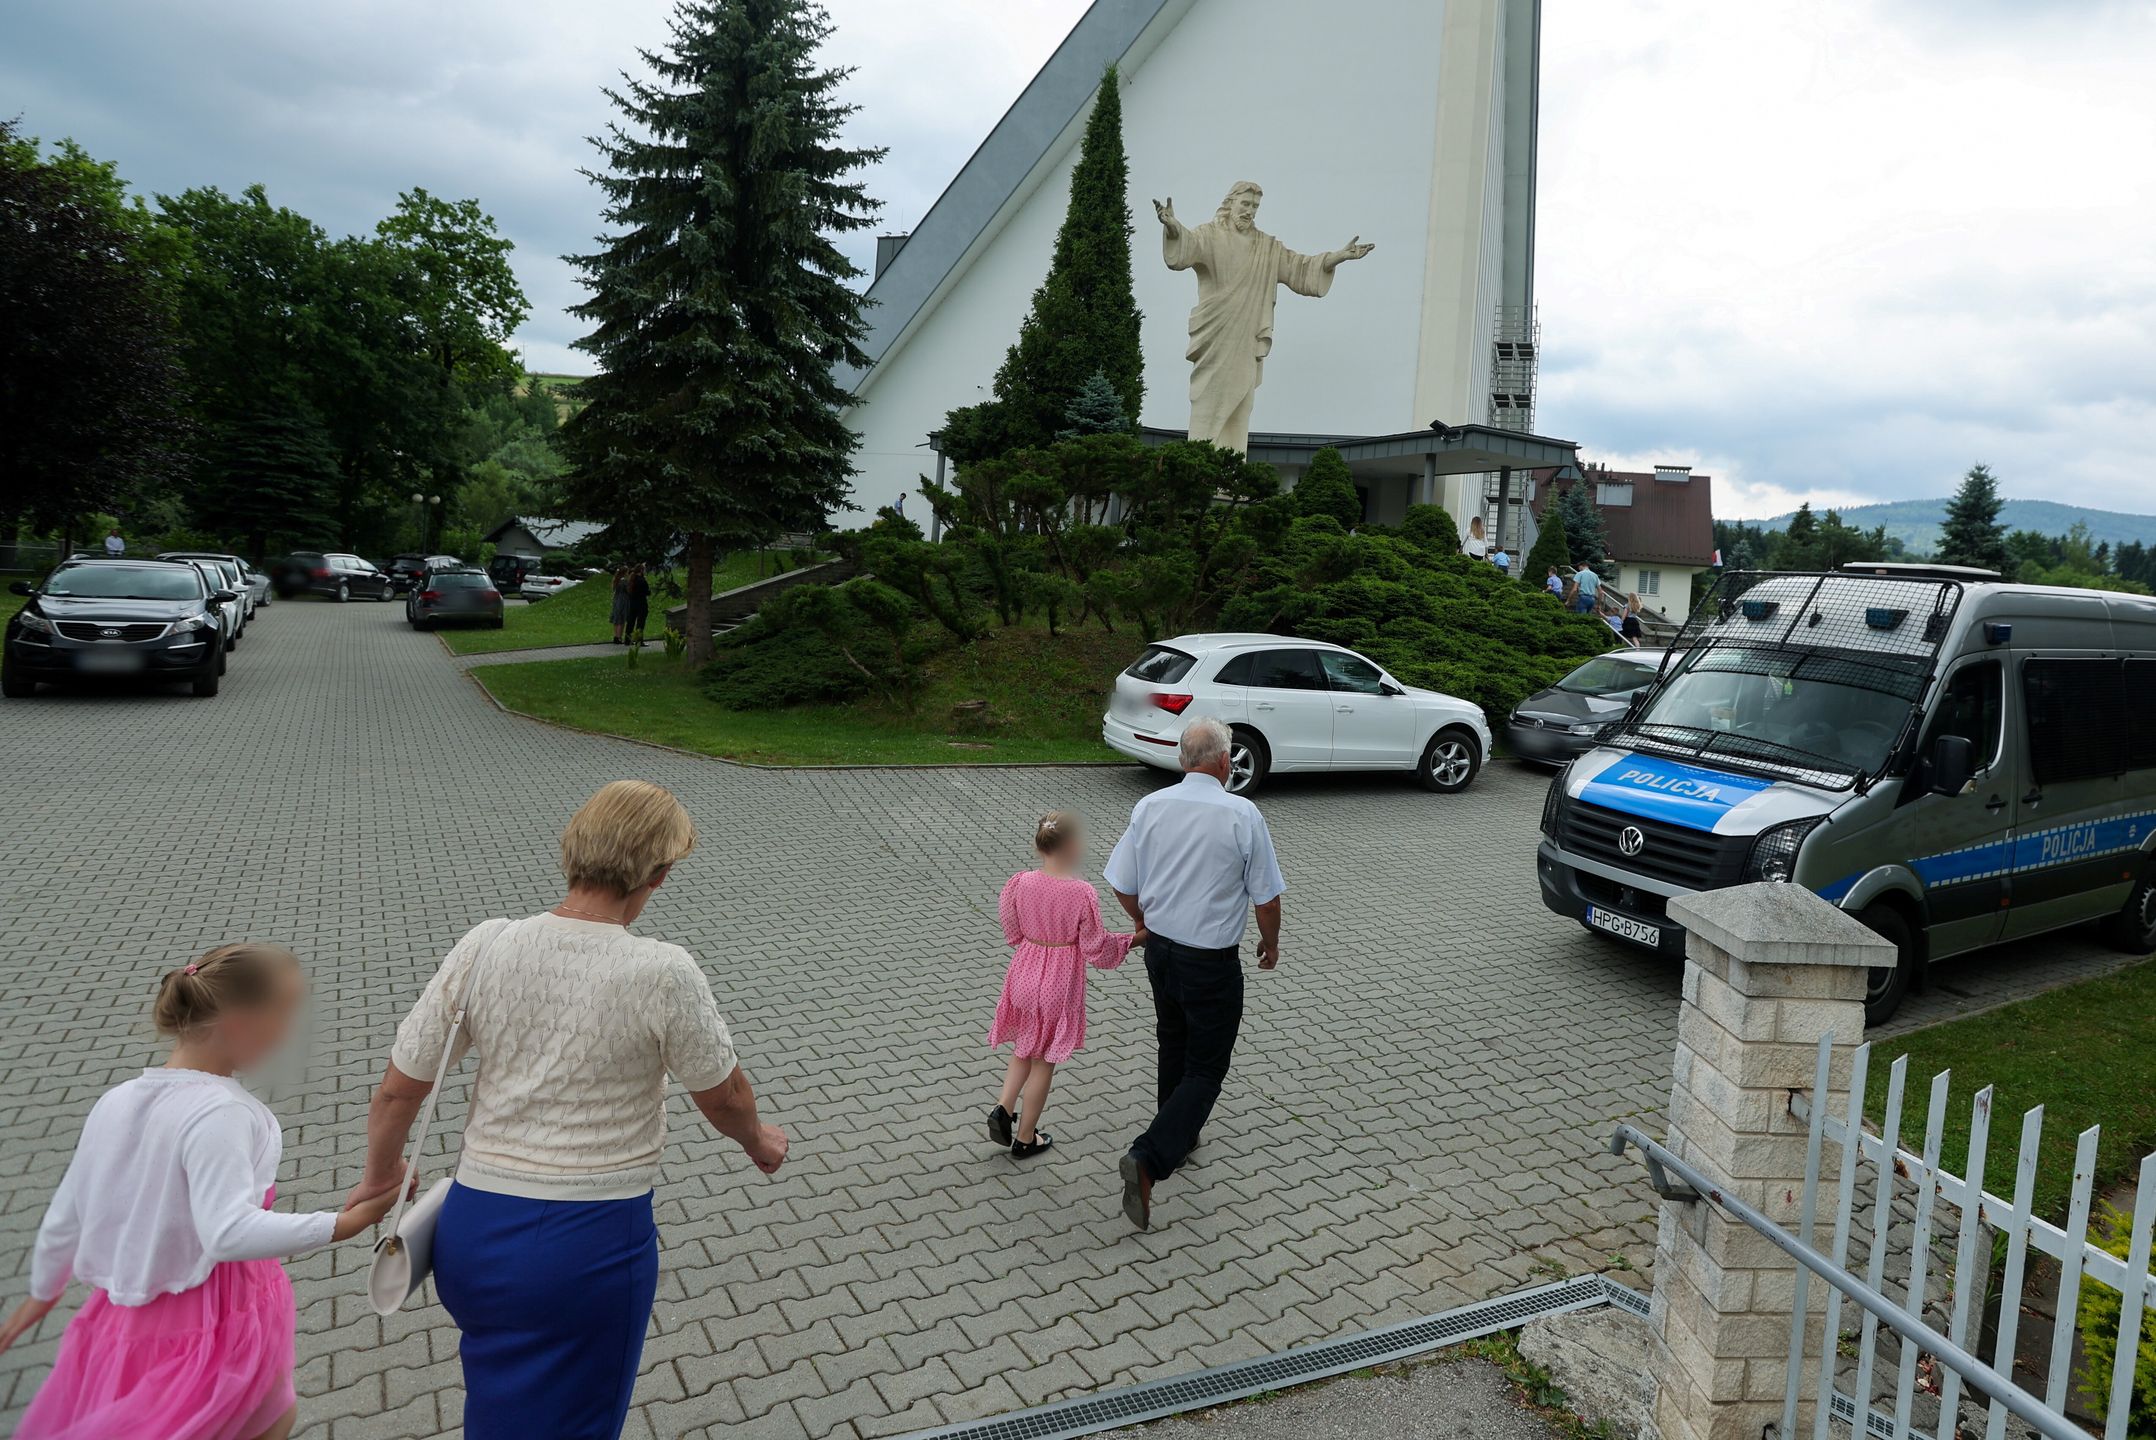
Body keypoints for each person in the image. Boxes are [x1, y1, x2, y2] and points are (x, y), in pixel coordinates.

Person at [353, 780, 786, 1440]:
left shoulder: (487, 944)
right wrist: (758, 1141)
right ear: (660, 874)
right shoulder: (661, 970)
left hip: (472, 1237)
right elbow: (723, 1097)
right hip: (588, 1248)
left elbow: (397, 1089)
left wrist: (381, 1175)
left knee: (499, 1410)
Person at [1, 944, 403, 1440]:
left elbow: (67, 1213)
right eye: (284, 1017)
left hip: (127, 1315)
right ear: (238, 1023)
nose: (289, 1034)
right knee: (261, 1419)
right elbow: (228, 1232)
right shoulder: (222, 1113)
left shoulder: (117, 1100)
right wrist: (347, 1224)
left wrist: (41, 1294)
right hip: (214, 1317)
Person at [1104, 717, 1285, 1230]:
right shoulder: (1242, 813)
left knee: (1172, 1040)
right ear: (1226, 763)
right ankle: (1151, 1156)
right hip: (1211, 961)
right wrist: (1270, 944)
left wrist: (1142, 920)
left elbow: (1120, 880)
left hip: (1159, 950)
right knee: (1206, 1068)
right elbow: (1266, 897)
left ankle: (1179, 1136)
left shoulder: (1150, 806)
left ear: (1184, 760)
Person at [986, 812, 1143, 1160]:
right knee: (1043, 1060)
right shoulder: (1081, 892)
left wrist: (1026, 939)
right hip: (1058, 981)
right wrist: (1132, 941)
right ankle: (1026, 1138)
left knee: (1024, 1047)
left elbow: (1009, 922)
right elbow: (1094, 946)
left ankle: (1002, 1106)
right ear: (1072, 847)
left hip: (1024, 971)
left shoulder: (1021, 882)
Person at [625, 564, 652, 648]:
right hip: (641, 603)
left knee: (631, 622)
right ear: (641, 571)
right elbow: (647, 592)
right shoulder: (642, 580)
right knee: (640, 623)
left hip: (632, 603)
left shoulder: (631, 579)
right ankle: (639, 640)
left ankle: (627, 639)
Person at [609, 566, 630, 645]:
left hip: (616, 600)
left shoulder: (616, 580)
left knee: (617, 619)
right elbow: (628, 590)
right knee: (621, 620)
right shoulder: (624, 581)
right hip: (623, 601)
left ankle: (616, 636)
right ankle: (619, 637)